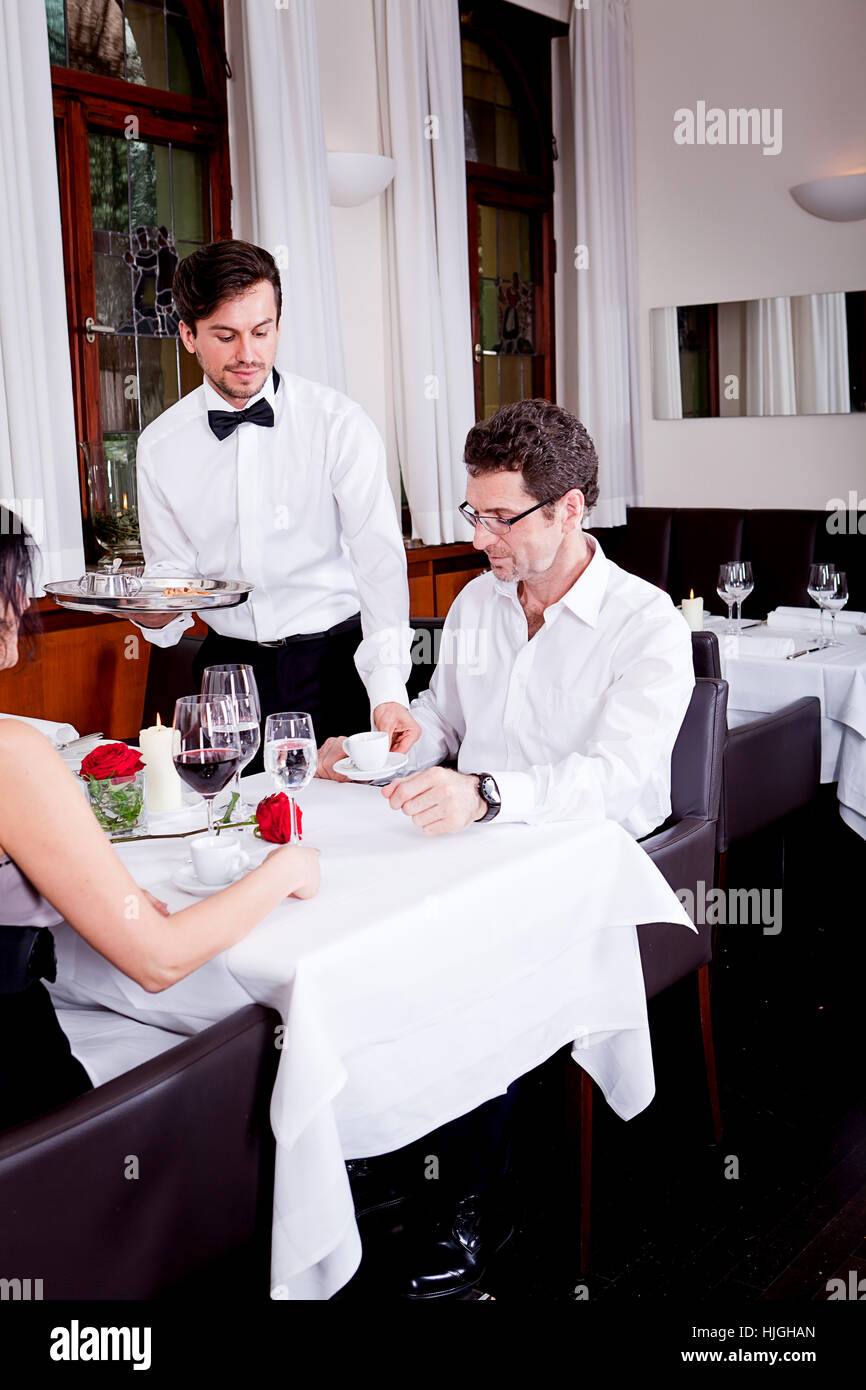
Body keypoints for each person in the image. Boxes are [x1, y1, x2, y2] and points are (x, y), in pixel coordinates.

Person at [318, 399, 695, 1297]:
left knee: (469, 962)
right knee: (354, 926)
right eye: (473, 512)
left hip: (589, 861)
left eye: (500, 518)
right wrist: (379, 748)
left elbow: (617, 781)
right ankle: (388, 1142)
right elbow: (444, 723)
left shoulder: (646, 625)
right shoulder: (477, 604)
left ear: (570, 509)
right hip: (478, 843)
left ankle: (475, 1198)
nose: (479, 537)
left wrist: (487, 795)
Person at [0, 509, 320, 1135]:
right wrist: (286, 870)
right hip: (25, 1119)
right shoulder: (13, 754)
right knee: (272, 1056)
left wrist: (73, 892)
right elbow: (159, 963)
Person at [132, 238, 420, 768]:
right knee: (230, 811)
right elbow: (171, 576)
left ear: (279, 327)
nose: (248, 354)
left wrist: (387, 691)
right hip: (226, 676)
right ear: (188, 335)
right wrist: (145, 608)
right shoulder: (160, 447)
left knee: (342, 817)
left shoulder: (338, 424)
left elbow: (378, 562)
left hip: (335, 664)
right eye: (226, 336)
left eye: (261, 332)